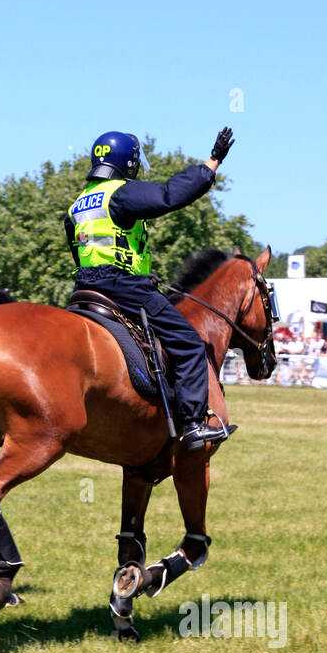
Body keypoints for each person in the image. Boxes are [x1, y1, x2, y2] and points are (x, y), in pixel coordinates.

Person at [65, 126, 237, 449]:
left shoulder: (76, 206)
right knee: (189, 344)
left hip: (84, 289)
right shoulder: (120, 193)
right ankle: (193, 424)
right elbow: (169, 195)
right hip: (124, 288)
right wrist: (211, 164)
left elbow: (77, 252)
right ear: (127, 163)